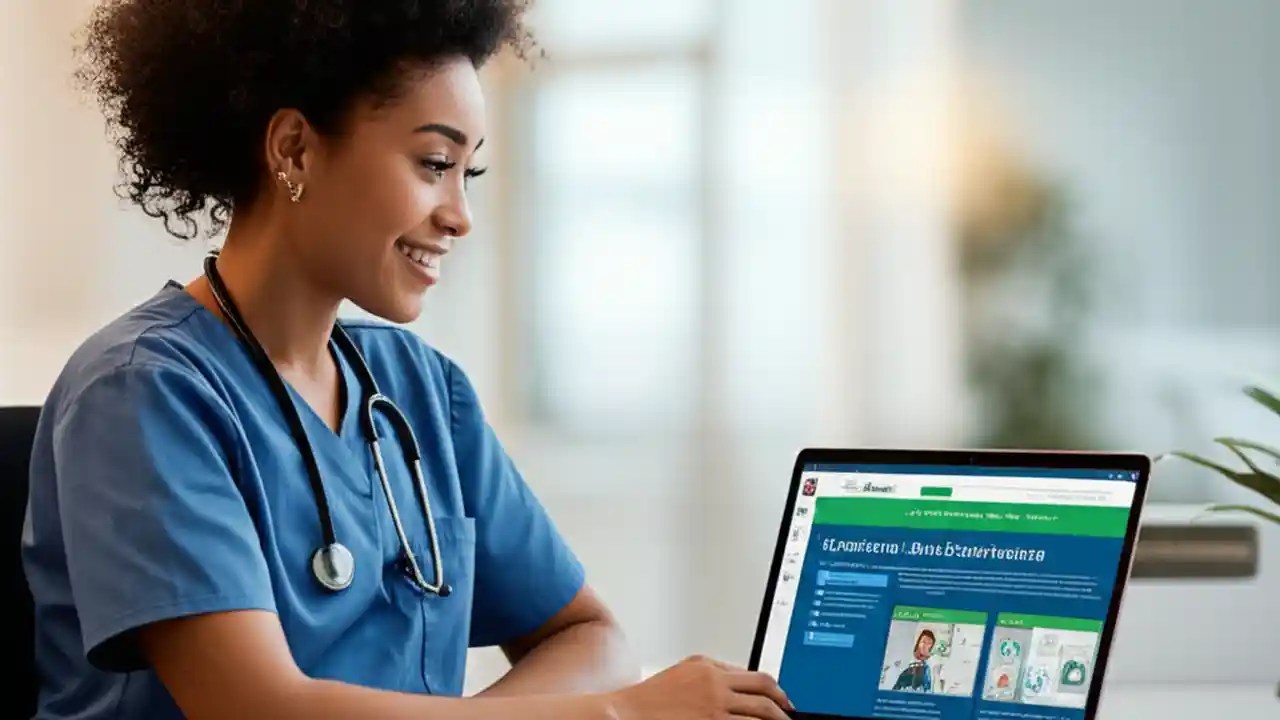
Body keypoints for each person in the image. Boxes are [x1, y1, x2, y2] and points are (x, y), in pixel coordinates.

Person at [19, 2, 794, 719]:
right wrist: (618, 712)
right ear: (294, 149)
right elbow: (255, 710)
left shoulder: (422, 391)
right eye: (432, 163)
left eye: (471, 173)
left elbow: (588, 635)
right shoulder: (141, 392)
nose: (459, 215)